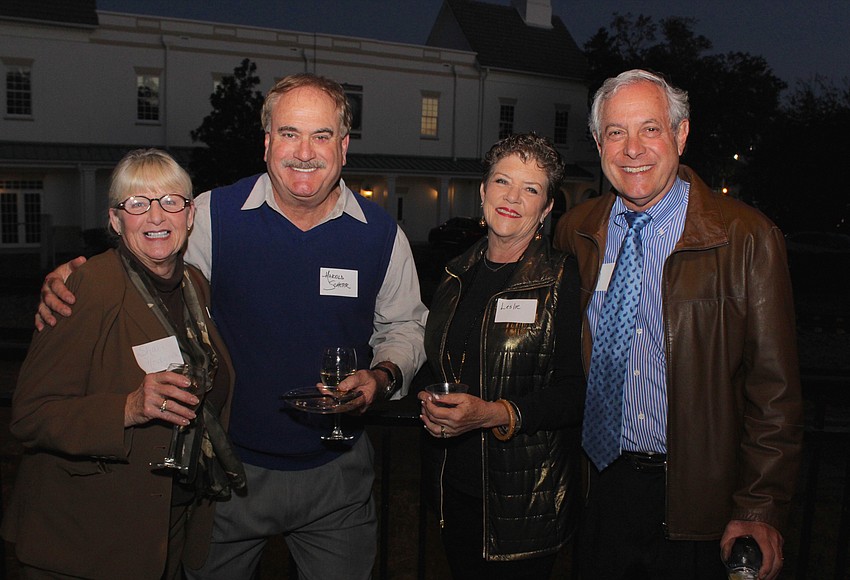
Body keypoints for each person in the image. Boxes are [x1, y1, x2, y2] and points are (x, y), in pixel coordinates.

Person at [35, 73, 427, 579]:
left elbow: (405, 327)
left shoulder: (382, 235)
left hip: (338, 477)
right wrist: (80, 276)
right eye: (289, 133)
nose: (304, 152)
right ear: (267, 143)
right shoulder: (212, 216)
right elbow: (149, 266)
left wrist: (385, 376)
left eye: (322, 135)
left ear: (344, 147)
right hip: (227, 473)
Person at [553, 69, 803, 580]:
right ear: (599, 142)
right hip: (596, 489)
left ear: (680, 135)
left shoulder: (747, 237)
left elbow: (774, 393)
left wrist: (758, 507)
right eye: (616, 133)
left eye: (650, 129)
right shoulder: (576, 230)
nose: (633, 149)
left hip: (698, 500)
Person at [2, 149, 239, 579]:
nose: (155, 216)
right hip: (87, 541)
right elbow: (30, 416)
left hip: (165, 529)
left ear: (189, 216)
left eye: (170, 201)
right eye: (137, 203)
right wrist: (127, 408)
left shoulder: (195, 285)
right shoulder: (88, 286)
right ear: (115, 220)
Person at [416, 133, 585, 579]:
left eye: (530, 189)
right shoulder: (456, 272)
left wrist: (493, 413)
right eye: (502, 182)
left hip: (523, 506)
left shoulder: (564, 278)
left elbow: (577, 391)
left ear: (547, 209)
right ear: (483, 192)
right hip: (455, 491)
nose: (512, 198)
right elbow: (442, 366)